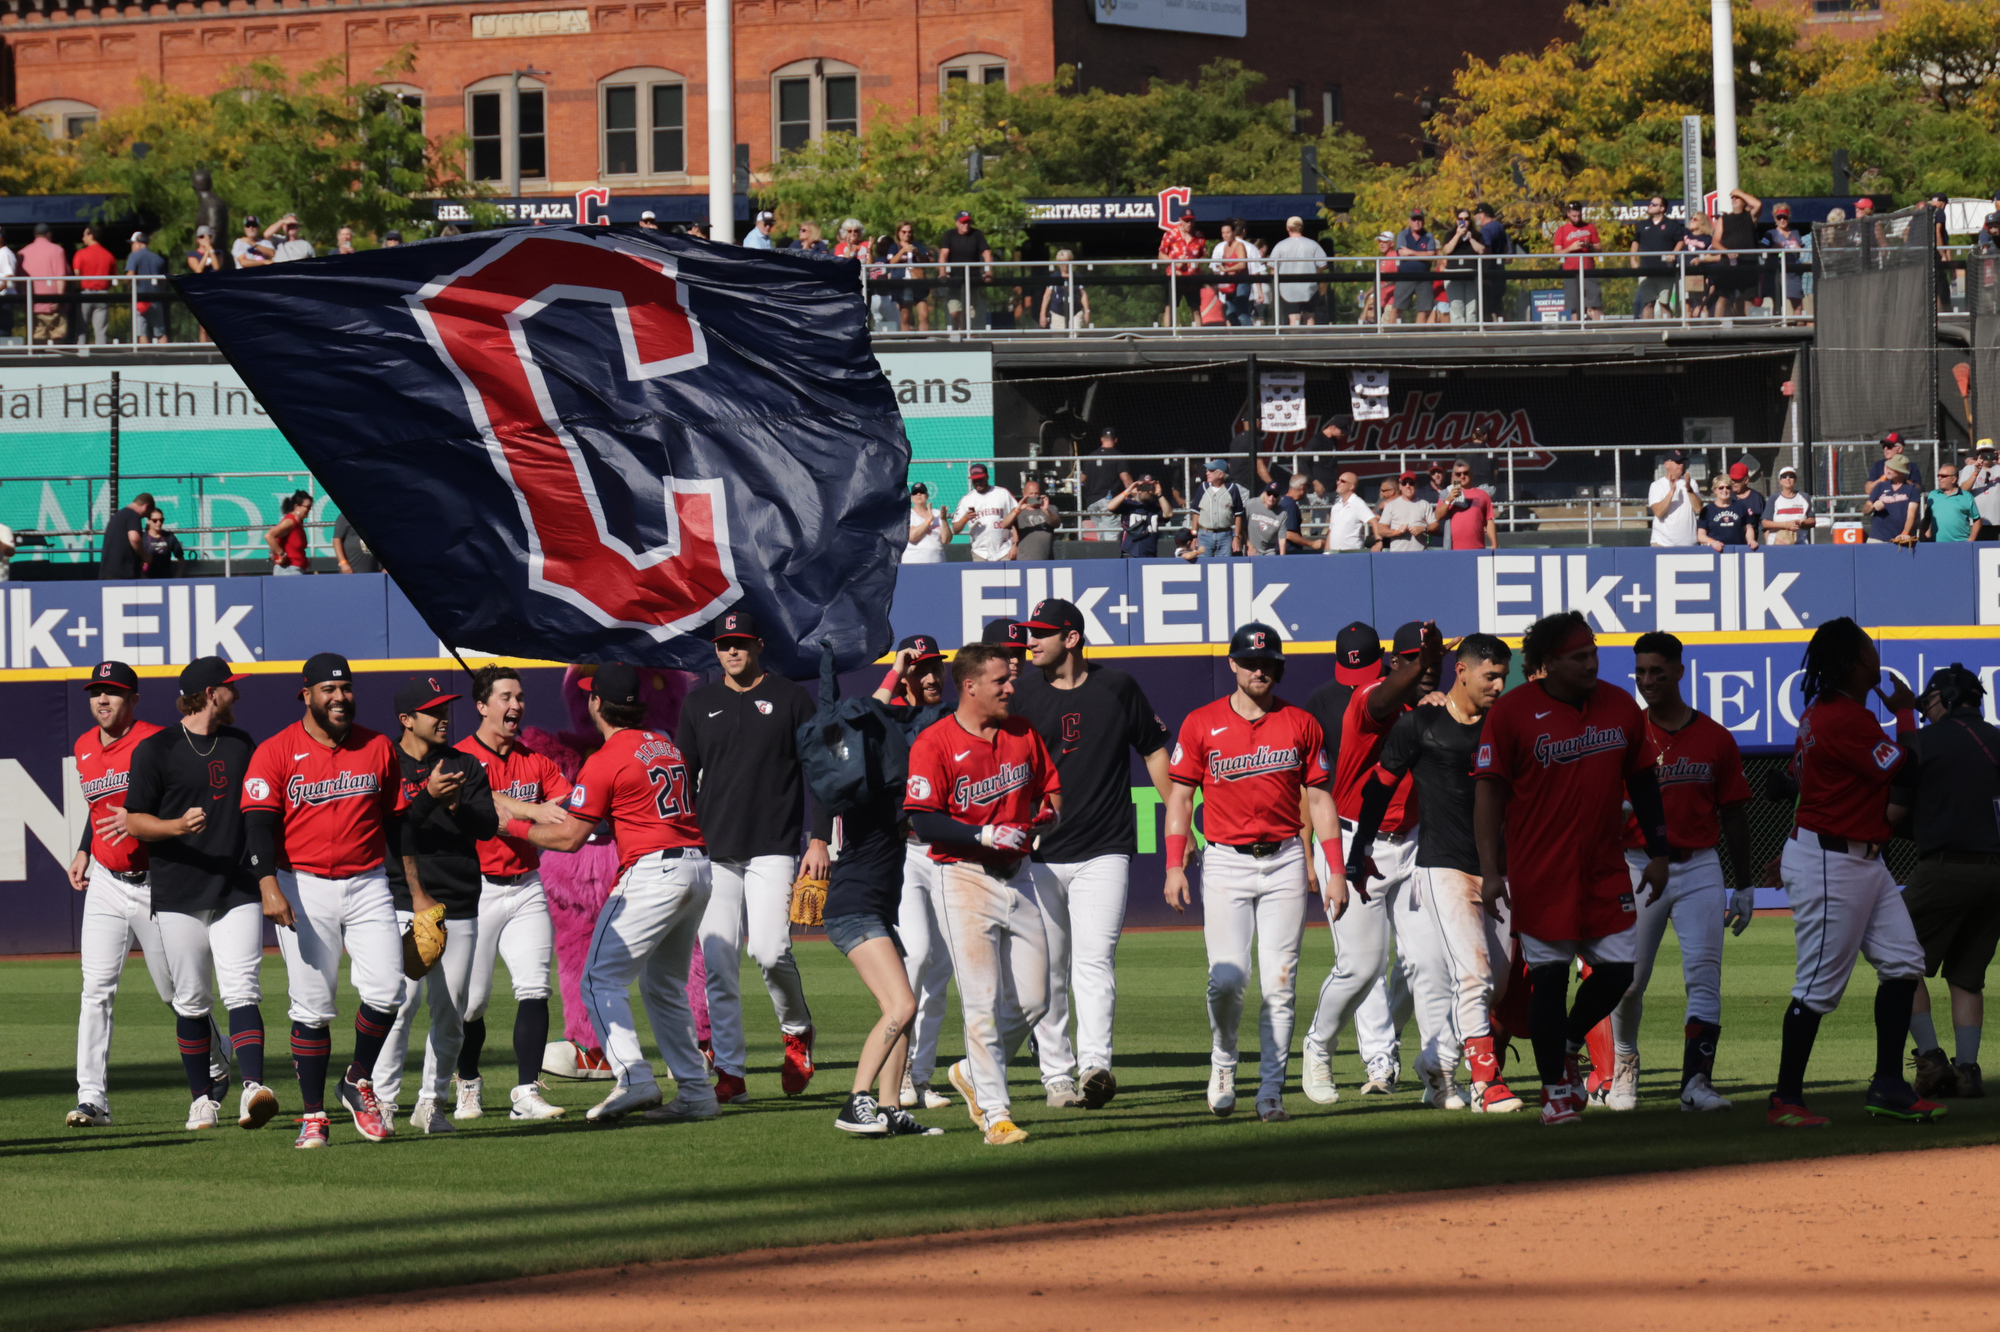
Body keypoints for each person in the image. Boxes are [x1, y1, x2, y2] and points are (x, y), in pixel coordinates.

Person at [1473, 611, 1672, 1126]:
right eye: (1579, 656)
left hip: (1604, 867)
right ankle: (1554, 1091)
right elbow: (1489, 792)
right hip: (1541, 870)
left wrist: (1659, 849)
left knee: (1620, 972)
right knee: (1550, 977)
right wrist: (1492, 870)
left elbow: (1645, 782)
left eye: (1594, 652)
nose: (1592, 663)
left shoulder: (1619, 706)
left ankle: (1564, 1041)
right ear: (1548, 664)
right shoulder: (1513, 712)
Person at [243, 652, 435, 1148]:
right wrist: (267, 885)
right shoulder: (276, 750)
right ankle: (313, 1116)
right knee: (312, 1006)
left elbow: (398, 823)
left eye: (346, 688)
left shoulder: (377, 747)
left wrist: (415, 893)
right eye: (328, 689)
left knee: (390, 990)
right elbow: (259, 824)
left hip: (368, 881)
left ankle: (356, 1078)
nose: (339, 697)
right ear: (305, 695)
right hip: (303, 885)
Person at [1345, 633, 1525, 1113]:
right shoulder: (1420, 724)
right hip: (1442, 866)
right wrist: (1359, 850)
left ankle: (1436, 1065)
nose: (1499, 684)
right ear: (1462, 672)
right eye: (1490, 675)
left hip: (1499, 871)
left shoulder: (1505, 726)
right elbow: (1378, 791)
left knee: (1499, 983)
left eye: (1504, 675)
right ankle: (1487, 1084)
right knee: (1475, 976)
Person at [1165, 622, 1335, 1124]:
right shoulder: (1201, 722)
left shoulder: (1301, 723)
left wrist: (1335, 869)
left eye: (1269, 663)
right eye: (1251, 661)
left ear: (1278, 668)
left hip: (1283, 858)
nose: (1260, 669)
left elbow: (1322, 799)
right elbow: (1179, 795)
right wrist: (1175, 862)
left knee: (1280, 983)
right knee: (1226, 981)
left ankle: (1270, 1089)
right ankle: (1223, 1062)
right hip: (1223, 861)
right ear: (1234, 665)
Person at [1768, 617, 1936, 1126]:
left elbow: (1810, 783)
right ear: (1852, 663)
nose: (1875, 655)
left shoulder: (1824, 711)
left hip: (1858, 855)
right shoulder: (1842, 718)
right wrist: (1907, 712)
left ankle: (1888, 1085)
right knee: (1818, 987)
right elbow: (1909, 767)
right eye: (1868, 649)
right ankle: (1785, 1100)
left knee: (1905, 964)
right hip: (1831, 860)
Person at [538, 663, 719, 1125]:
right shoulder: (665, 745)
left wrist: (509, 822)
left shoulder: (607, 756)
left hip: (655, 870)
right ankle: (697, 1093)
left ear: (597, 703)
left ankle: (634, 1076)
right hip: (696, 867)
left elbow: (570, 838)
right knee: (663, 985)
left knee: (599, 980)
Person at [1014, 598, 1173, 1110]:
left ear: (1072, 638)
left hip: (1104, 849)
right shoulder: (1021, 693)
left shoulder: (1117, 688)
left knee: (1094, 960)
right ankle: (1056, 1074)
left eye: (1041, 633)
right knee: (1049, 969)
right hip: (1040, 852)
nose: (1031, 641)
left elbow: (1153, 748)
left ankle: (1096, 1067)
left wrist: (1178, 816)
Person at [903, 642, 1063, 1146]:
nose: (1011, 687)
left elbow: (1052, 794)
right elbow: (921, 817)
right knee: (982, 1003)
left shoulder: (1021, 733)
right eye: (1001, 681)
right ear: (970, 686)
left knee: (1037, 1000)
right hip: (963, 876)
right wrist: (983, 835)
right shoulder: (934, 742)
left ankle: (971, 1073)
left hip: (1018, 876)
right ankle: (996, 1115)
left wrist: (1040, 824)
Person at [63, 659, 230, 1129]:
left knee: (174, 991)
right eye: (96, 691)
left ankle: (217, 1063)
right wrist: (83, 848)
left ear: (134, 700)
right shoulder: (83, 747)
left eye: (113, 692)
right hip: (106, 883)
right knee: (95, 989)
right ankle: (92, 1098)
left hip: (158, 883)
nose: (102, 699)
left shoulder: (161, 742)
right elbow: (101, 808)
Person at [1596, 633, 1756, 1114]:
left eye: (1657, 672)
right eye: (1640, 672)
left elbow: (1734, 814)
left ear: (1680, 672)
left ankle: (1696, 1083)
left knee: (1704, 977)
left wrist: (1744, 884)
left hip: (1700, 865)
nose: (1647, 682)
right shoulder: (1625, 735)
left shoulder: (1714, 737)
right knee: (1627, 980)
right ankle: (1624, 1064)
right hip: (1637, 865)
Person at [1303, 621, 1460, 1106]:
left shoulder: (1442, 709)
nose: (1427, 666)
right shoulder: (1369, 699)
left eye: (1433, 659)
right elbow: (1387, 697)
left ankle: (1437, 1071)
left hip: (1415, 844)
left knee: (1430, 964)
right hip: (1357, 843)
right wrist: (1420, 668)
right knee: (1360, 967)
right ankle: (1318, 1047)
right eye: (1415, 657)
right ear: (1396, 662)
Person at [669, 611, 823, 1103]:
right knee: (718, 961)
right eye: (723, 644)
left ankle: (797, 1031)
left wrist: (817, 839)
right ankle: (731, 1072)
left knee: (770, 950)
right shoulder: (699, 704)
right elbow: (681, 780)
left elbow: (816, 771)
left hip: (773, 845)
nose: (731, 651)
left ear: (759, 645)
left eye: (739, 643)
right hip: (714, 849)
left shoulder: (792, 698)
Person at [817, 664, 947, 1139]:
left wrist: (897, 676)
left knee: (903, 1009)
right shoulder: (863, 782)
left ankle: (891, 1107)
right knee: (901, 1004)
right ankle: (857, 1101)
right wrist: (894, 673)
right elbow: (868, 714)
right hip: (853, 908)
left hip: (872, 910)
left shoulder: (888, 781)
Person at [371, 676, 499, 1134]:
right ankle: (383, 1102)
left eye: (445, 708)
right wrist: (426, 800)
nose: (443, 718)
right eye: (433, 711)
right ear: (406, 720)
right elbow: (391, 830)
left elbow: (486, 825)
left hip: (460, 899)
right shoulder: (386, 763)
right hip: (404, 899)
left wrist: (457, 807)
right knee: (400, 1005)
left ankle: (433, 1101)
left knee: (452, 1009)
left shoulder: (465, 763)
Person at [449, 666, 574, 1121]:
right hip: (475, 890)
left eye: (519, 696)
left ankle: (526, 1092)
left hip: (525, 885)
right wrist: (533, 811)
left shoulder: (535, 761)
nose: (516, 705)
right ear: (481, 706)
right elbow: (487, 805)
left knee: (535, 987)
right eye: (505, 696)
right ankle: (467, 1082)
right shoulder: (458, 756)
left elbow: (566, 808)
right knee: (473, 1000)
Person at [1892, 665, 2000, 1100]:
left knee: (1897, 956)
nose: (1924, 711)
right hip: (1996, 873)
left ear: (1948, 697)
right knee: (1968, 976)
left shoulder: (1923, 742)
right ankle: (1968, 1071)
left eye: (1928, 702)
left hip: (1944, 867)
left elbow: (1894, 815)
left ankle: (1932, 1061)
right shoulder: (1997, 739)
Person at [881, 634, 956, 1111]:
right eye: (919, 668)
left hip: (949, 851)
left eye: (935, 667)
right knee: (917, 955)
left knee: (942, 968)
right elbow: (868, 713)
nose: (930, 676)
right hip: (903, 853)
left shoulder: (953, 716)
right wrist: (894, 671)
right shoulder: (887, 718)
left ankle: (920, 1075)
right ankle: (899, 1070)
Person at [1631, 195, 1688, 320]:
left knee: (1664, 302)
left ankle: (1667, 330)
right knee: (1648, 303)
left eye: (1654, 204)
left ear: (1662, 208)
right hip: (1646, 269)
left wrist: (1673, 253)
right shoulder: (1642, 224)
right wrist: (1633, 259)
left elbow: (1680, 241)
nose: (1650, 206)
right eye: (1650, 203)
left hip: (1665, 270)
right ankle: (1648, 333)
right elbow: (1635, 242)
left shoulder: (1671, 224)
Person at [1714, 188, 1764, 319]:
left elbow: (1758, 204)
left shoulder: (1750, 216)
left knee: (1749, 299)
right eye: (1733, 197)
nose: (1734, 199)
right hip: (1728, 264)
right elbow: (1715, 242)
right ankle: (1717, 326)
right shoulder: (1724, 219)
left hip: (1748, 262)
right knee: (1723, 297)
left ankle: (1752, 329)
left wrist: (1740, 192)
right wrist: (1727, 252)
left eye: (1737, 198)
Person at [938, 211, 993, 330]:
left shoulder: (977, 234)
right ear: (956, 223)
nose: (966, 225)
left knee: (970, 309)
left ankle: (968, 334)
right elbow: (944, 253)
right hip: (955, 278)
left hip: (972, 278)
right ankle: (963, 328)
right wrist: (942, 272)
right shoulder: (950, 234)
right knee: (954, 310)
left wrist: (988, 271)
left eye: (968, 222)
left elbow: (986, 253)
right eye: (963, 223)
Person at [951, 464, 1016, 563]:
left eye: (980, 479)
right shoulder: (967, 499)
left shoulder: (1002, 493)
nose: (978, 483)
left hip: (1004, 550)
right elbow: (955, 529)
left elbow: (1016, 518)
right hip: (980, 553)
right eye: (975, 480)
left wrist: (1015, 544)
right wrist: (965, 519)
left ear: (987, 477)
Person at [1269, 215, 1327, 325]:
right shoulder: (1312, 244)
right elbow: (1323, 264)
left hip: (1288, 289)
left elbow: (1273, 267)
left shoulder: (1280, 246)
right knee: (1310, 316)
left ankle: (1295, 340)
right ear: (1302, 228)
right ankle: (1311, 340)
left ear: (1288, 228)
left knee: (1293, 318)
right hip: (1309, 287)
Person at [1552, 202, 1602, 321]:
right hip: (1570, 272)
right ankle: (1577, 332)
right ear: (1568, 214)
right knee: (1574, 306)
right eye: (1574, 216)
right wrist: (1571, 248)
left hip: (1589, 271)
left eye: (1579, 215)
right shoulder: (1562, 230)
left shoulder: (1589, 227)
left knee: (1595, 302)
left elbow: (1599, 248)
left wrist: (1589, 246)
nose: (1577, 218)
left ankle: (1599, 331)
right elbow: (1556, 253)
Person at [21, 221, 69, 343]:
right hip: (53, 305)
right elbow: (60, 278)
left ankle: (37, 360)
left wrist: (25, 301)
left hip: (32, 304)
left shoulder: (23, 253)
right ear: (49, 234)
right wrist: (60, 300)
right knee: (58, 335)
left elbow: (18, 282)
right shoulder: (57, 250)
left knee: (37, 338)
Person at [1157, 209, 1205, 327]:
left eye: (1191, 221)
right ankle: (1167, 335)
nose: (1189, 224)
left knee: (1195, 308)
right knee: (1170, 306)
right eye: (1186, 221)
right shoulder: (1170, 234)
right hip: (1174, 277)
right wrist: (1175, 262)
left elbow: (1203, 256)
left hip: (1193, 278)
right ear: (1180, 220)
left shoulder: (1199, 236)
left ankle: (1199, 336)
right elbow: (1161, 255)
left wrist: (1199, 263)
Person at [1192, 459, 1248, 557]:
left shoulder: (1232, 489)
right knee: (1204, 564)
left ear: (1221, 474)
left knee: (1224, 565)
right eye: (1207, 470)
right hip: (1205, 534)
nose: (1207, 473)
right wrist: (1194, 535)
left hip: (1225, 535)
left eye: (1211, 471)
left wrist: (1236, 537)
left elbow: (1238, 515)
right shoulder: (1203, 487)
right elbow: (1196, 512)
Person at [1392, 210, 1439, 325]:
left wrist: (1411, 253)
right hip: (1405, 276)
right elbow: (1402, 254)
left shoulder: (1428, 236)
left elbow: (1431, 256)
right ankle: (1388, 335)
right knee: (1397, 307)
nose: (1417, 222)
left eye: (1419, 219)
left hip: (1424, 277)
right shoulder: (1403, 234)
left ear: (1423, 221)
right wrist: (1422, 254)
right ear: (1409, 221)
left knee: (1424, 309)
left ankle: (1418, 337)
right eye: (1414, 219)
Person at [1440, 460, 1497, 550]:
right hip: (1453, 550)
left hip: (1478, 549)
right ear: (1454, 476)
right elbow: (1438, 516)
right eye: (1458, 474)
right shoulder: (1447, 493)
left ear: (1471, 474)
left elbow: (1489, 521)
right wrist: (1449, 499)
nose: (1462, 476)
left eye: (1465, 473)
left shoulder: (1483, 495)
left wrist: (1494, 543)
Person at [73, 225, 115, 345]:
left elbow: (76, 276)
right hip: (103, 294)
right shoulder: (109, 255)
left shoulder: (80, 254)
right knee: (101, 330)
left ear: (91, 235)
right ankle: (101, 356)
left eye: (84, 235)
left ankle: (81, 355)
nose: (83, 238)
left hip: (85, 294)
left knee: (81, 328)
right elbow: (112, 279)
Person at [1647, 449, 1699, 547]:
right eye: (1677, 462)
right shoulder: (1657, 485)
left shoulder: (1691, 483)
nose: (1681, 465)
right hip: (1663, 543)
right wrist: (1671, 492)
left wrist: (1689, 488)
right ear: (1667, 464)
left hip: (1689, 544)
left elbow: (1698, 508)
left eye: (1682, 462)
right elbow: (1658, 512)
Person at [886, 222, 932, 331]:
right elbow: (891, 262)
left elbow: (926, 262)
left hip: (918, 282)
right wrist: (903, 250)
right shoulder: (894, 247)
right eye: (904, 232)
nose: (907, 234)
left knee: (924, 315)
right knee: (905, 315)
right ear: (898, 233)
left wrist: (918, 253)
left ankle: (925, 343)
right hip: (902, 282)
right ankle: (905, 342)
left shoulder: (918, 245)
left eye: (909, 232)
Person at [1867, 454, 1921, 546]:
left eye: (1891, 468)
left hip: (1900, 539)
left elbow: (1911, 515)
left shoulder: (1911, 489)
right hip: (1877, 538)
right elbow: (1865, 510)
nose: (1887, 471)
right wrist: (1873, 506)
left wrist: (1905, 533)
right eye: (1887, 467)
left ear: (1901, 471)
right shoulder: (1880, 486)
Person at [1374, 473, 1436, 551]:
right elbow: (1381, 529)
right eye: (1404, 483)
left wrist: (1424, 529)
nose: (1408, 486)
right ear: (1400, 486)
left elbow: (1435, 526)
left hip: (1420, 554)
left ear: (1416, 485)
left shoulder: (1424, 504)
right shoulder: (1391, 505)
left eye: (1411, 483)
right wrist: (1397, 532)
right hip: (1398, 555)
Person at [125, 232, 169, 342]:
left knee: (141, 332)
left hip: (140, 298)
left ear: (139, 244)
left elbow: (130, 275)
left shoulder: (134, 256)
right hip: (155, 298)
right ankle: (166, 357)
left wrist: (125, 284)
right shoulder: (159, 258)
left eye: (133, 243)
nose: (132, 246)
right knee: (160, 332)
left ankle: (144, 358)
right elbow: (164, 281)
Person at [1925, 462, 1983, 543]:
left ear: (1954, 479)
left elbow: (1977, 520)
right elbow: (1926, 519)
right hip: (1936, 544)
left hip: (1960, 544)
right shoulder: (1933, 495)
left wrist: (1971, 540)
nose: (1939, 478)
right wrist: (1923, 537)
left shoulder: (1966, 496)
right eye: (1938, 476)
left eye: (1943, 476)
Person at [1765, 204, 1806, 318]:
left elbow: (1802, 250)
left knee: (1798, 304)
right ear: (1775, 219)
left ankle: (1798, 332)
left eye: (1785, 217)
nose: (1782, 220)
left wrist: (1798, 248)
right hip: (1776, 273)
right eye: (1779, 217)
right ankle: (1777, 331)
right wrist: (1775, 248)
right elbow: (1761, 250)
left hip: (1793, 273)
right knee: (1777, 304)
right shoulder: (1770, 234)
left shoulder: (1795, 233)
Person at [99, 492, 153, 579]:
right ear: (145, 507)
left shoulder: (119, 515)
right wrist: (145, 555)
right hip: (122, 573)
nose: (144, 517)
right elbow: (134, 538)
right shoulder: (133, 515)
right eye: (146, 514)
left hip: (108, 571)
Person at [1698, 475, 1759, 551]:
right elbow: (1701, 535)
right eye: (1721, 488)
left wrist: (1751, 540)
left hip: (1737, 550)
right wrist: (1712, 542)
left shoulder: (1740, 506)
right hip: (1715, 551)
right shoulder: (1707, 510)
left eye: (1728, 487)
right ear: (1715, 491)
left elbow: (1748, 527)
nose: (1725, 490)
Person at [1211, 219, 1254, 326]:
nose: (1225, 235)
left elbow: (1242, 264)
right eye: (1223, 233)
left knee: (1241, 313)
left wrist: (1227, 270)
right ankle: (1239, 335)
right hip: (1230, 283)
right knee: (1230, 313)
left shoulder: (1239, 245)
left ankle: (1252, 335)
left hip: (1241, 282)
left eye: (1228, 232)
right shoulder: (1225, 247)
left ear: (1233, 232)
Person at [1004, 478, 1058, 561]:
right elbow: (1004, 524)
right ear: (1024, 494)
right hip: (1025, 558)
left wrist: (1046, 511)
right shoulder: (1019, 512)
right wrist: (1017, 510)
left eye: (1036, 493)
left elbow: (1056, 524)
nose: (1033, 496)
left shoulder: (1050, 508)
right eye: (1030, 494)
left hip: (1047, 559)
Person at [1321, 471, 1375, 553]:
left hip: (1352, 553)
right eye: (1338, 480)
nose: (1338, 483)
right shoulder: (1336, 506)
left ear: (1351, 486)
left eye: (1342, 481)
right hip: (1335, 554)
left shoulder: (1358, 503)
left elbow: (1373, 521)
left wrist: (1378, 541)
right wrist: (1327, 551)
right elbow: (1331, 530)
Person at [1763, 465, 1816, 545]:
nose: (1788, 478)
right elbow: (1765, 523)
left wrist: (1800, 522)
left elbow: (1812, 521)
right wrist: (1785, 525)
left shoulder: (1804, 497)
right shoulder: (1774, 498)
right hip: (1778, 543)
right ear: (1780, 481)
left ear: (1795, 480)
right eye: (1784, 476)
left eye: (1791, 476)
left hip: (1800, 542)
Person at [1040, 248, 1088, 329]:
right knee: (1059, 338)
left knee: (1076, 333)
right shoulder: (1054, 278)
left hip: (1075, 311)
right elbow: (1047, 296)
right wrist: (1042, 314)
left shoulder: (1077, 277)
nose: (1065, 264)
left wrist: (1087, 311)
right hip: (1057, 312)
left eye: (1067, 261)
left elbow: (1083, 294)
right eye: (1061, 261)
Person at [266, 491, 313, 574]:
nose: (309, 510)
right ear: (296, 506)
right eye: (307, 507)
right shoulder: (290, 522)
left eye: (310, 507)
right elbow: (269, 535)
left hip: (296, 568)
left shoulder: (298, 524)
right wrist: (281, 554)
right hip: (288, 570)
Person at [904, 482, 949, 563]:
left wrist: (944, 520)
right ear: (911, 497)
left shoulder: (937, 513)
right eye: (915, 493)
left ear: (927, 496)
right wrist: (929, 520)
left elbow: (946, 540)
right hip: (913, 564)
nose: (918, 494)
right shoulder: (907, 515)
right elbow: (912, 537)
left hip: (938, 564)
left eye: (922, 492)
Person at [139, 508, 186, 577]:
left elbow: (181, 561)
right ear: (148, 521)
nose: (159, 523)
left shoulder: (169, 537)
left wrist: (177, 578)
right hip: (146, 581)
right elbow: (135, 561)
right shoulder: (142, 538)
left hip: (165, 580)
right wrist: (143, 578)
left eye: (161, 520)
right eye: (155, 521)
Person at [1246, 483, 1288, 556]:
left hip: (1269, 550)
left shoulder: (1282, 513)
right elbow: (1242, 527)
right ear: (1264, 493)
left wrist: (1282, 559)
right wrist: (1248, 544)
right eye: (1269, 493)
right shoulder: (1251, 504)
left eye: (1275, 495)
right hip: (1251, 549)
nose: (1271, 497)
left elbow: (1282, 539)